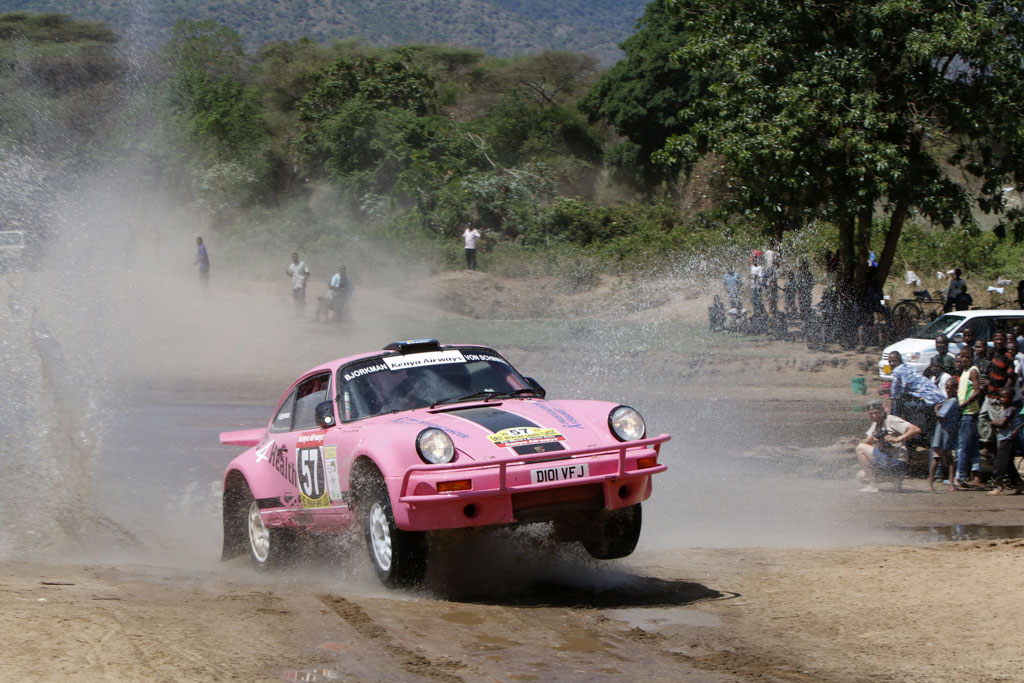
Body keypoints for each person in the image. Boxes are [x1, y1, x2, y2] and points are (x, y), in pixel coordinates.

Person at [855, 400, 921, 493]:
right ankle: (893, 479)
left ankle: (873, 485)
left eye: (876, 413)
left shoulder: (891, 419)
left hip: (897, 461)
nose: (874, 416)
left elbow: (915, 429)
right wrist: (858, 441)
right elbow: (867, 441)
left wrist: (898, 439)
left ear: (882, 410)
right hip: (887, 461)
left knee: (860, 448)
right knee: (860, 477)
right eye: (871, 414)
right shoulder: (876, 423)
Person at [889, 351, 945, 438]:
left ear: (900, 361)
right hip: (938, 398)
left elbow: (894, 394)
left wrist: (892, 416)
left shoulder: (897, 370)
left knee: (901, 405)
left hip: (928, 400)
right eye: (890, 362)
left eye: (894, 361)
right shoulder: (909, 367)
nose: (892, 364)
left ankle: (906, 432)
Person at [956, 348, 986, 489]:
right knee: (973, 447)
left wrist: (964, 404)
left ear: (971, 358)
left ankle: (960, 476)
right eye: (961, 357)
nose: (963, 359)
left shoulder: (973, 371)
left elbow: (978, 390)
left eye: (966, 357)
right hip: (967, 413)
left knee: (963, 446)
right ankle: (977, 477)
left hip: (968, 413)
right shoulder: (965, 371)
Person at [929, 377, 959, 492]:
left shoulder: (952, 401)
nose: (948, 390)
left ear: (956, 389)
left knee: (939, 457)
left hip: (943, 433)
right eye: (947, 388)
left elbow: (941, 415)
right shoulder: (949, 400)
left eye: (951, 388)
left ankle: (932, 484)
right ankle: (949, 485)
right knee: (946, 457)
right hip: (944, 433)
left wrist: (936, 409)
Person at [287, 252, 310, 318]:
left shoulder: (302, 264)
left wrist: (305, 281)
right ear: (292, 258)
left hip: (301, 285)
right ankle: (297, 314)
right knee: (296, 300)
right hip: (294, 285)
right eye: (293, 257)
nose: (294, 258)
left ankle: (302, 314)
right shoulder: (291, 266)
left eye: (295, 257)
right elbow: (292, 275)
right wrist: (288, 274)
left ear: (297, 257)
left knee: (301, 300)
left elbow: (307, 273)